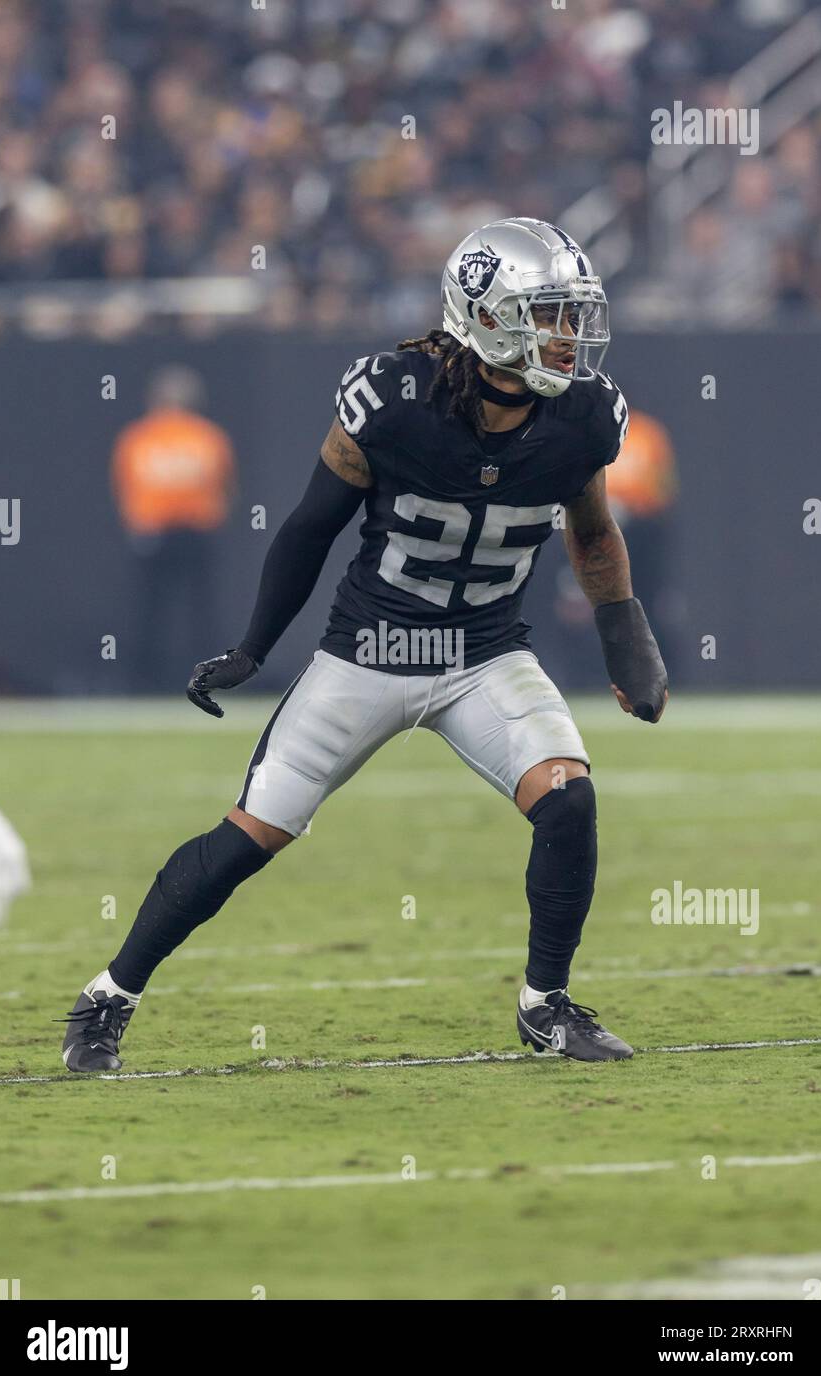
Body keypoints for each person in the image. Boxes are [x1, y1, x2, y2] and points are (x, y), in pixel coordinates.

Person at [61, 218, 667, 1072]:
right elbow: (311, 527)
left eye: (574, 316)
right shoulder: (394, 398)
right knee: (249, 837)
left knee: (567, 801)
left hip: (486, 652)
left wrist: (625, 636)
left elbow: (595, 534)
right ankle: (106, 997)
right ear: (489, 319)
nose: (571, 338)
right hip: (369, 652)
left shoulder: (581, 419)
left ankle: (545, 1004)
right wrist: (254, 647)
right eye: (551, 315)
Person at [111, 365, 236, 689]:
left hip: (157, 533)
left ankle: (144, 681)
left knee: (152, 611)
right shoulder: (206, 435)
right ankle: (207, 678)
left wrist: (138, 524)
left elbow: (129, 486)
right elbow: (225, 486)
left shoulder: (140, 435)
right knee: (199, 612)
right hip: (195, 531)